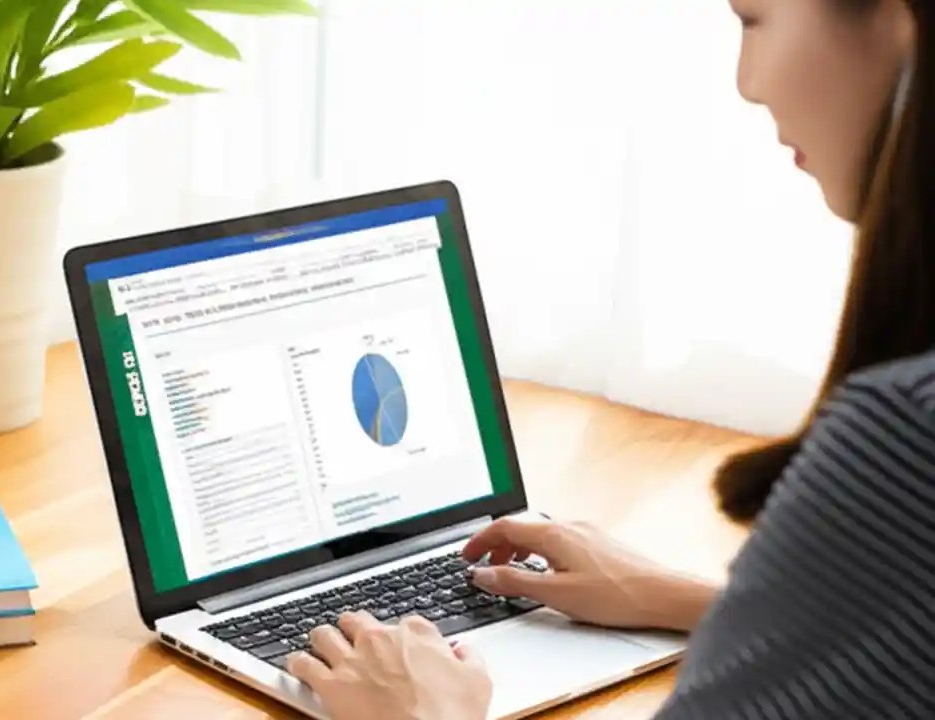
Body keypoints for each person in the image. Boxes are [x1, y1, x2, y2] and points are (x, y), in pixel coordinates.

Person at [286, 0, 935, 717]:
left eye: (754, 19)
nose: (747, 84)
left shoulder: (905, 436)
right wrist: (680, 597)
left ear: (896, 18)